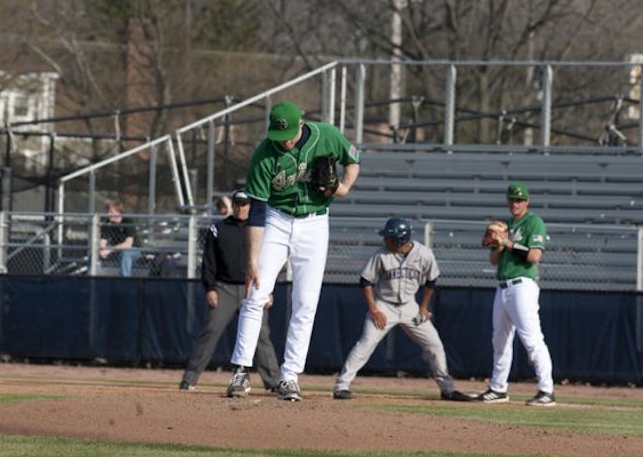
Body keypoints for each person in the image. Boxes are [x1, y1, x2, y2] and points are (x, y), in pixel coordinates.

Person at [226, 101, 361, 400]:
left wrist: (344, 187)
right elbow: (258, 209)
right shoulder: (264, 153)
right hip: (276, 218)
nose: (283, 141)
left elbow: (353, 159)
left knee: (306, 302)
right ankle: (240, 372)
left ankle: (290, 377)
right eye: (277, 135)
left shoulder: (326, 135)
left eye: (286, 135)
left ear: (301, 123)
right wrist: (252, 261)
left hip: (315, 222)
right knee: (256, 293)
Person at [332, 218, 474, 402]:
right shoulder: (381, 255)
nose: (385, 240)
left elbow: (431, 281)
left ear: (401, 239)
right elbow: (365, 282)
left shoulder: (424, 253)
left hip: (410, 307)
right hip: (384, 305)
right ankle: (341, 386)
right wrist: (374, 310)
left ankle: (447, 390)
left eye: (389, 237)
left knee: (434, 344)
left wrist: (423, 307)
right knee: (366, 343)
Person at [179, 190, 279, 391]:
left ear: (250, 206)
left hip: (253, 288)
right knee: (211, 331)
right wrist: (210, 288)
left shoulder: (261, 230)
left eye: (244, 204)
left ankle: (274, 383)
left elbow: (270, 262)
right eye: (237, 203)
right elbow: (209, 262)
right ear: (232, 205)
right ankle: (189, 379)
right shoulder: (218, 229)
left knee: (261, 336)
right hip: (224, 287)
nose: (240, 208)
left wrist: (268, 290)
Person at [477, 182, 555, 406]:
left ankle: (546, 390)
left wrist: (508, 243)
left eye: (520, 200)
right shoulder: (506, 224)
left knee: (532, 339)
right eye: (512, 199)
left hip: (522, 286)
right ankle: (498, 388)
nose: (515, 203)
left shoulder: (533, 222)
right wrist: (498, 244)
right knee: (499, 341)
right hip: (501, 287)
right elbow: (493, 261)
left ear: (527, 202)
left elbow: (534, 256)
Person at [98, 200, 141, 277]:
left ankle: (124, 280)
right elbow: (103, 243)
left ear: (118, 212)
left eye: (111, 212)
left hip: (134, 250)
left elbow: (128, 244)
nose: (108, 214)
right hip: (116, 252)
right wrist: (102, 251)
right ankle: (92, 278)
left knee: (126, 253)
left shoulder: (128, 221)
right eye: (108, 211)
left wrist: (109, 250)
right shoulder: (107, 224)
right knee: (94, 255)